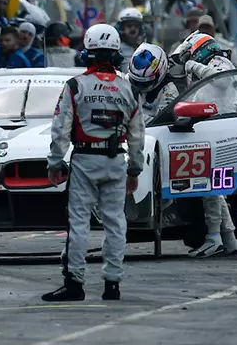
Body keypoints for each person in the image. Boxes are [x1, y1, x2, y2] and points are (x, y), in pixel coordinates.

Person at [42, 24, 144, 302]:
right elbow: (137, 134)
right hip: (116, 161)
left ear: (87, 51)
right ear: (116, 53)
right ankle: (113, 283)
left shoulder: (75, 86)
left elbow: (60, 128)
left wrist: (54, 162)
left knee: (78, 224)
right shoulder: (129, 89)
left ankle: (75, 283)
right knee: (115, 223)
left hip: (85, 159)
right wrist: (134, 169)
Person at [170, 32, 237, 257]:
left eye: (190, 55)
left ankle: (214, 237)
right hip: (210, 132)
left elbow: (224, 79)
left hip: (223, 132)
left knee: (210, 188)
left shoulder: (220, 62)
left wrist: (191, 64)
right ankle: (227, 239)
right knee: (213, 188)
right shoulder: (201, 71)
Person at [127, 43, 178, 122]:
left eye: (144, 84)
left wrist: (130, 116)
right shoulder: (127, 80)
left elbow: (160, 124)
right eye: (135, 81)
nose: (138, 86)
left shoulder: (169, 92)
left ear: (160, 74)